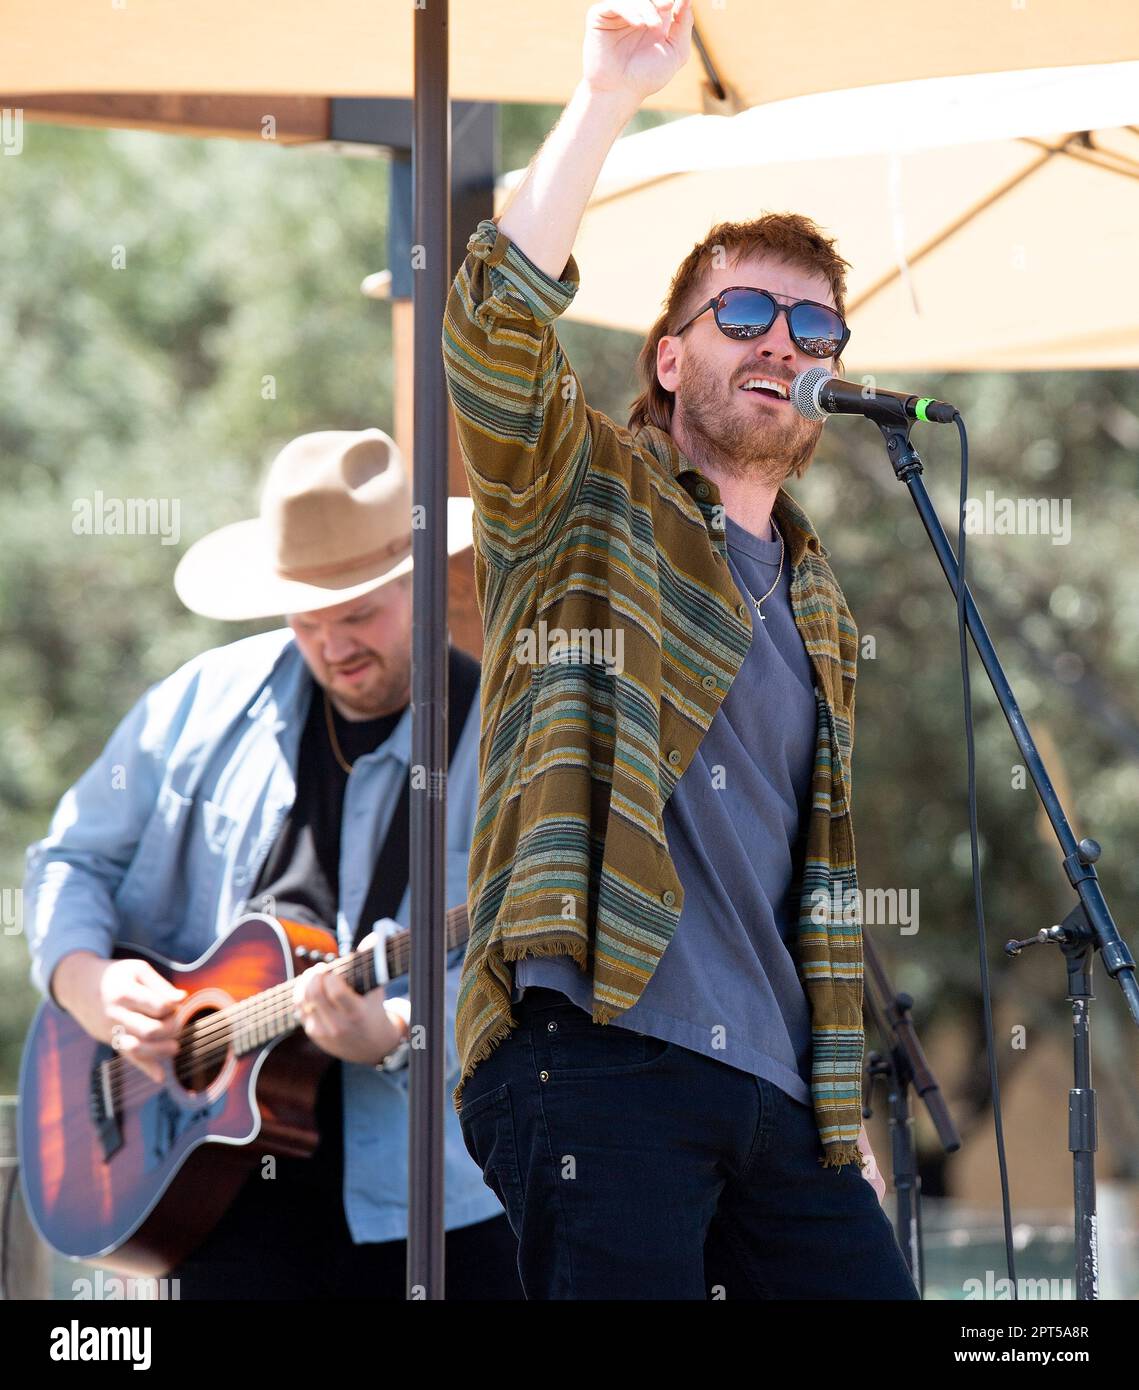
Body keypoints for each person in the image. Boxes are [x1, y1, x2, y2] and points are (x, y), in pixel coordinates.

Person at [442, 0, 915, 1300]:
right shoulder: (581, 494)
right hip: (599, 1041)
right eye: (745, 312)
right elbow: (494, 339)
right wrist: (603, 95)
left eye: (813, 327)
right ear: (667, 356)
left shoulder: (815, 597)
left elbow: (790, 871)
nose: (782, 341)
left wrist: (841, 1104)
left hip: (780, 1096)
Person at [24, 428, 522, 1299]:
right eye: (307, 620)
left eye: (359, 614)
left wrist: (403, 1035)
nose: (333, 647)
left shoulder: (511, 747)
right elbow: (68, 860)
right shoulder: (198, 701)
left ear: (422, 583)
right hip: (212, 1200)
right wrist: (91, 989)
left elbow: (546, 975)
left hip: (436, 1208)